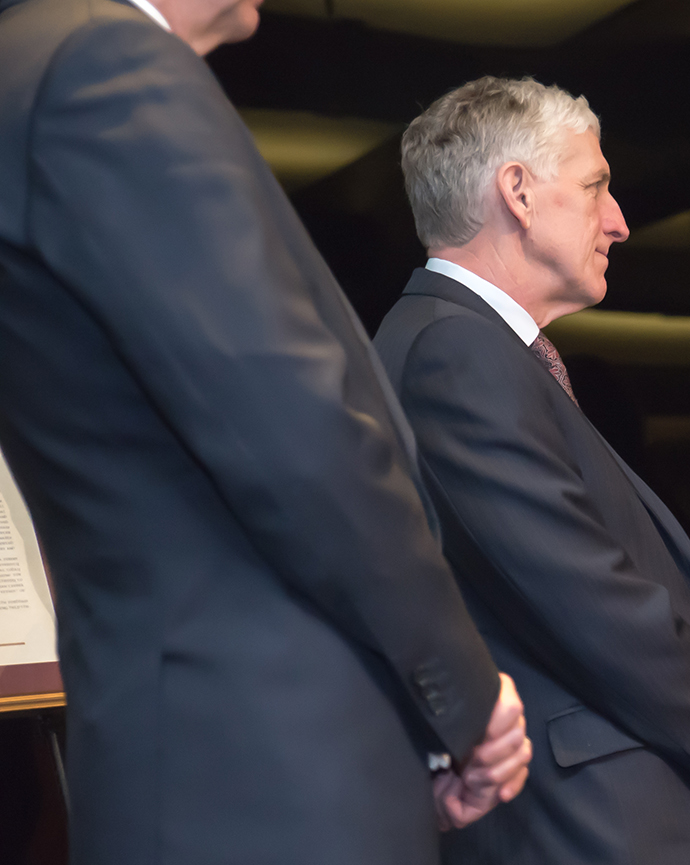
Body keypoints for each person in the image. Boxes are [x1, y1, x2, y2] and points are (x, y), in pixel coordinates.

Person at [0, 1, 531, 864]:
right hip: (260, 759)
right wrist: (462, 698)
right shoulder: (101, 63)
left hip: (212, 747)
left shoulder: (44, 58)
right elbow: (299, 434)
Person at [371, 76, 690, 865]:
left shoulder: (471, 347)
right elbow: (594, 598)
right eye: (595, 187)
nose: (618, 221)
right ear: (516, 192)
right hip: (589, 824)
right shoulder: (455, 353)